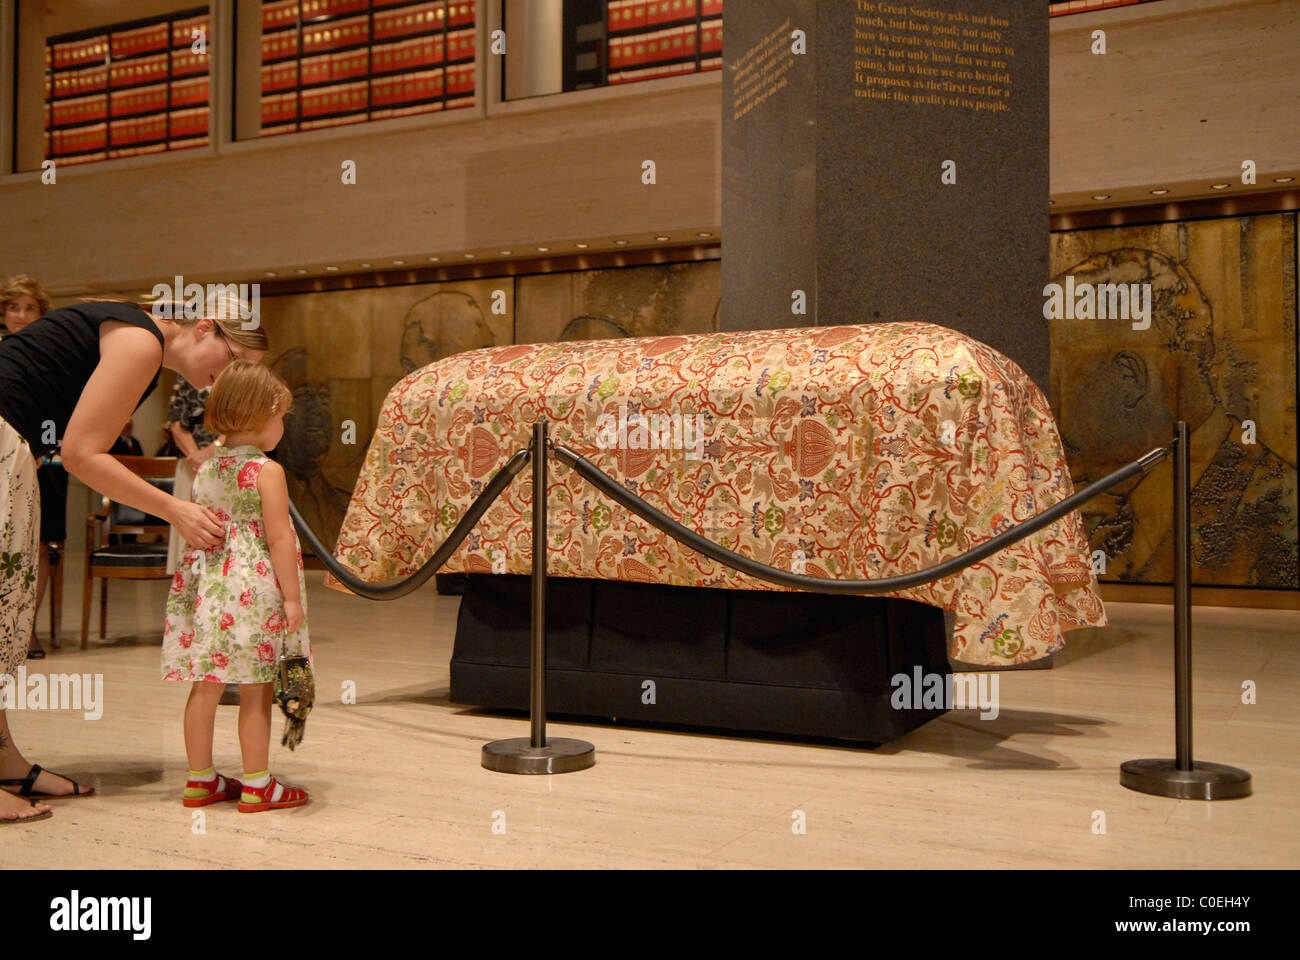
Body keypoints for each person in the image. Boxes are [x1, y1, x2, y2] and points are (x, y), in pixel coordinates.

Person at [0, 293, 267, 824]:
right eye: (233, 362)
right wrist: (175, 510)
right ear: (205, 328)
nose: (225, 381)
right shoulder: (141, 339)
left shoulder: (132, 330)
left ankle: (5, 760)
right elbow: (82, 453)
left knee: (5, 614)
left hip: (13, 443)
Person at [161, 360, 311, 813]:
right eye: (280, 416)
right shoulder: (267, 471)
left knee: (206, 683)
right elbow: (279, 537)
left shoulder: (206, 469)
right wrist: (290, 597)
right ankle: (257, 784)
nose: (282, 425)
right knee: (256, 686)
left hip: (208, 588)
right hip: (253, 589)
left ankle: (200, 780)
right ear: (261, 416)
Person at [2, 276, 63, 661]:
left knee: (41, 541)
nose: (21, 315)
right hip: (2, 455)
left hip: (46, 458)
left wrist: (42, 447)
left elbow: (61, 405)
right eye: (14, 307)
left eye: (29, 308)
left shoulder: (53, 351)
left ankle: (29, 629)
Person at [164, 375, 224, 575]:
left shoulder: (237, 376)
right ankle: (186, 578)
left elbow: (244, 420)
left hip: (225, 461)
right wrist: (195, 457)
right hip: (190, 465)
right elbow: (176, 421)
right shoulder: (185, 377)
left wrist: (210, 452)